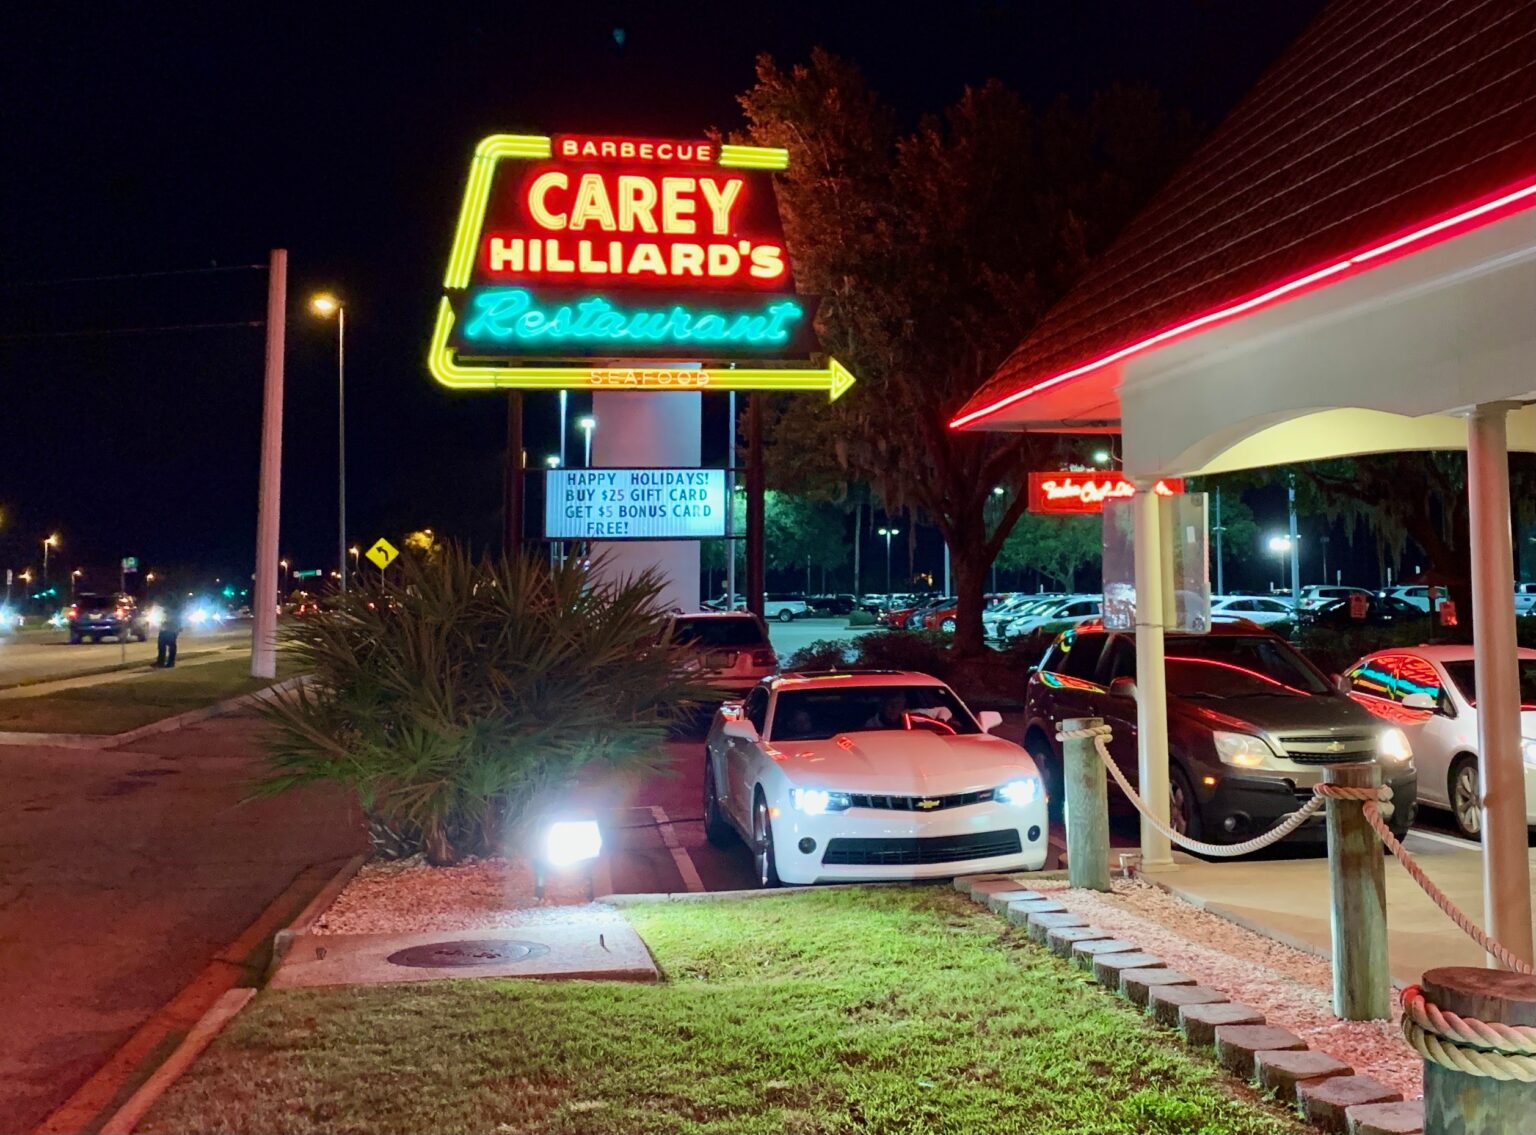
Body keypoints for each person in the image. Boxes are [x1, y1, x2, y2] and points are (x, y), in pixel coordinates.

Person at [155, 604, 182, 668]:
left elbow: (176, 621)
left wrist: (177, 629)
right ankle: (160, 662)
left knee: (171, 647)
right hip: (164, 630)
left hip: (171, 630)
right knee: (161, 646)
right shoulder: (165, 610)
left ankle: (170, 662)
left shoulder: (175, 612)